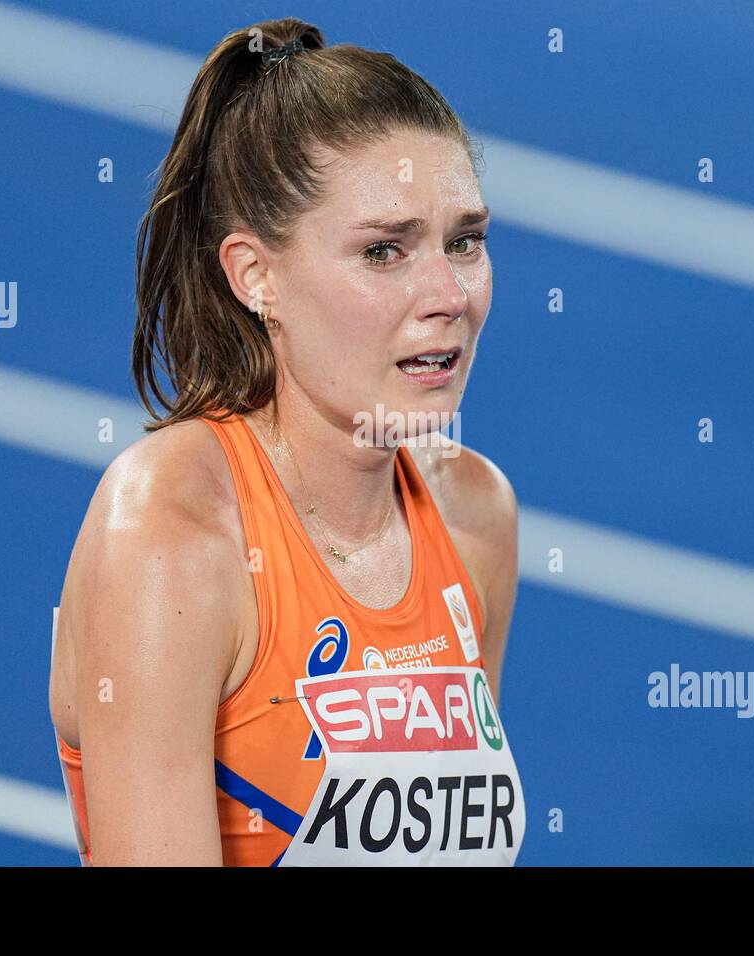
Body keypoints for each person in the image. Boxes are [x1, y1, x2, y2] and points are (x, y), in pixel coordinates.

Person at [47, 16, 524, 866]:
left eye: (465, 241)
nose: (448, 293)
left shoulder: (474, 516)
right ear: (253, 275)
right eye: (384, 251)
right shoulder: (170, 536)